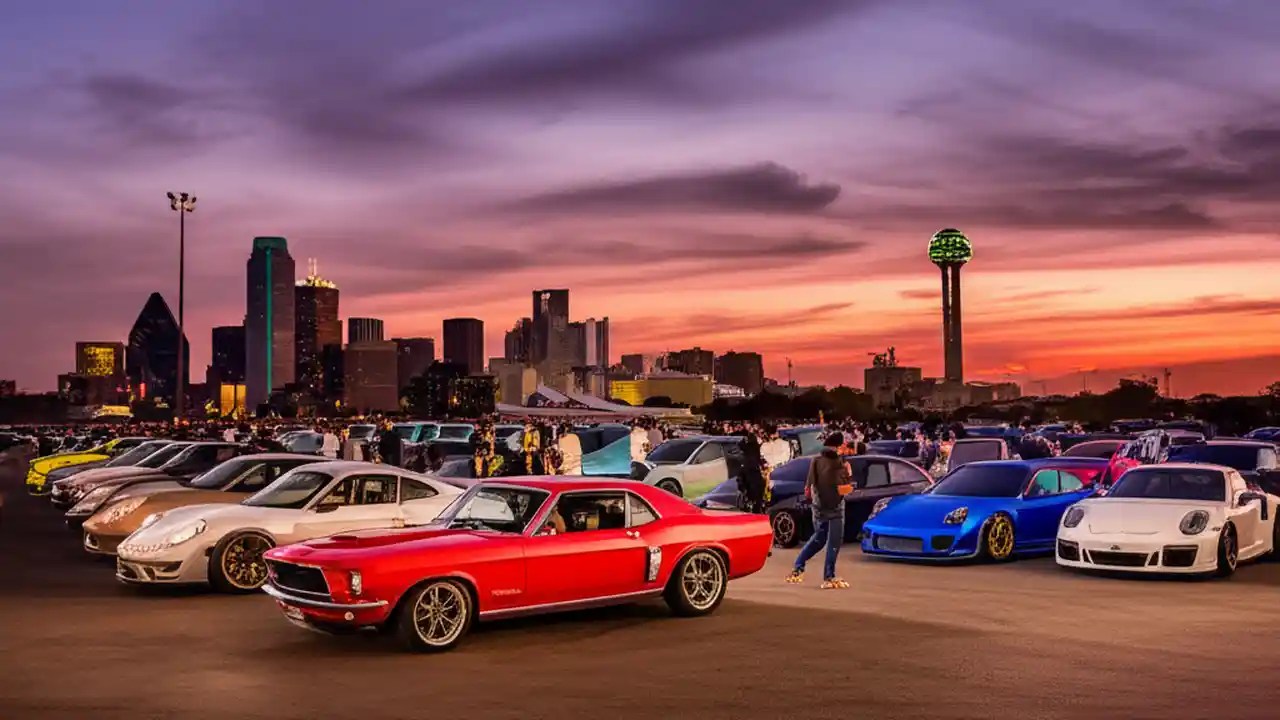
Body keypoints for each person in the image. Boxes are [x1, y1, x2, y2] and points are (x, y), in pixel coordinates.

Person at [786, 433, 852, 589]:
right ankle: (829, 577)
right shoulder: (839, 463)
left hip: (818, 506)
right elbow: (843, 488)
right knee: (834, 542)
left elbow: (808, 487)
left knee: (819, 538)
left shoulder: (815, 460)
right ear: (838, 445)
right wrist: (849, 475)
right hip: (835, 507)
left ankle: (798, 567)